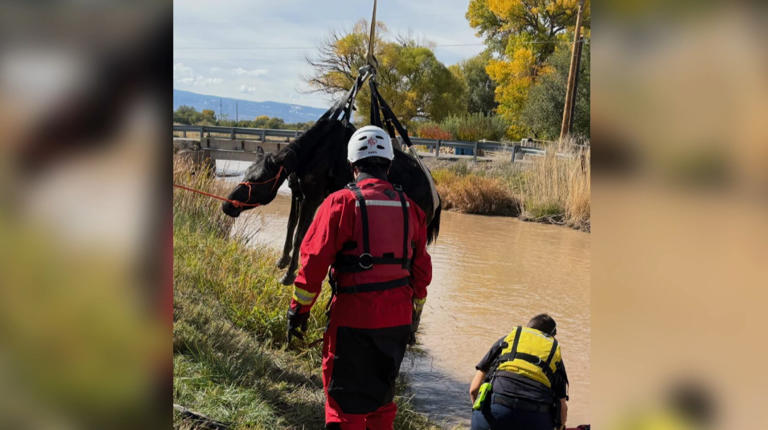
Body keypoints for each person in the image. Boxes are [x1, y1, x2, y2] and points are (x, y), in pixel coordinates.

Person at [285, 125, 432, 430]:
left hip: (352, 321)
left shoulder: (339, 204)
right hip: (396, 324)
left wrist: (298, 311)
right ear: (389, 165)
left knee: (343, 407)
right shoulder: (412, 209)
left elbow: (312, 265)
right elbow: (421, 276)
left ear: (352, 165)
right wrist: (413, 319)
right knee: (381, 402)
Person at [469, 314, 569, 430]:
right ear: (552, 336)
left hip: (493, 413)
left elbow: (474, 389)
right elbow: (562, 408)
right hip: (535, 419)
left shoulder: (508, 340)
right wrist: (561, 427)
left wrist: (479, 415)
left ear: (528, 328)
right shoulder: (554, 355)